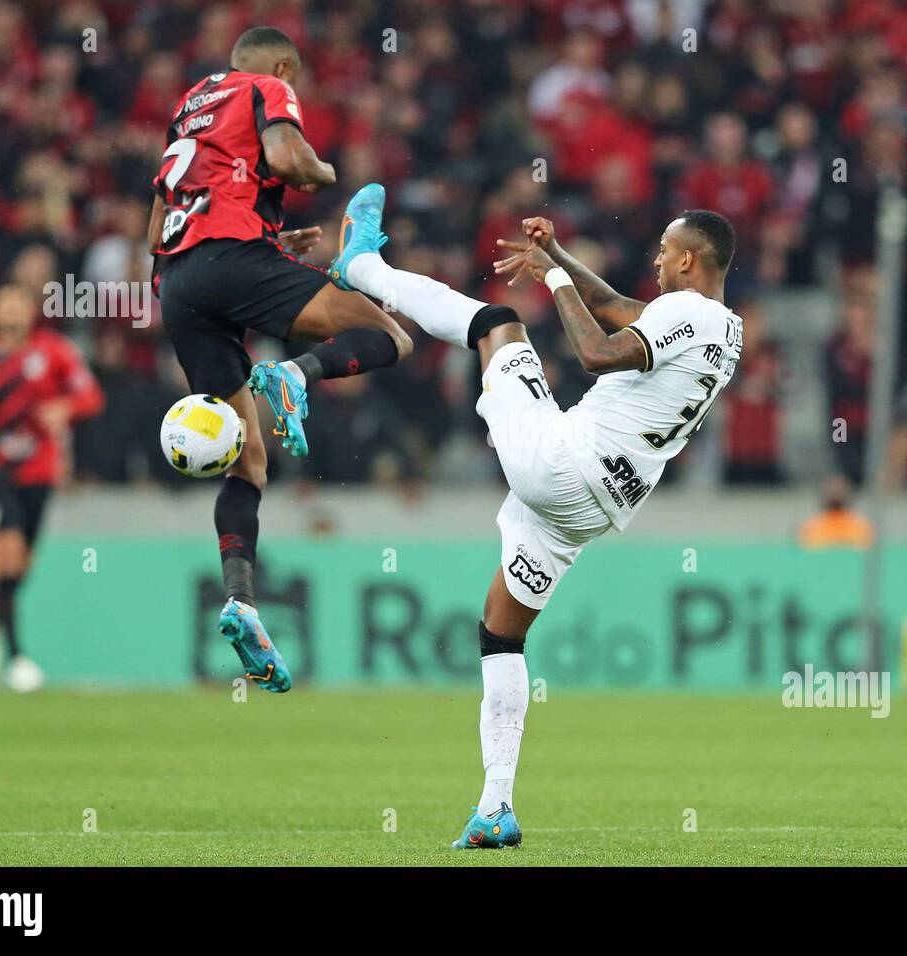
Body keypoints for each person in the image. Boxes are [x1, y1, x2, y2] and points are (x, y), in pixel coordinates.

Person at [315, 183, 742, 848]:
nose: (656, 261)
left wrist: (552, 284)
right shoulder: (724, 327)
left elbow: (598, 351)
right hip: (598, 504)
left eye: (665, 252)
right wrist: (562, 259)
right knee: (500, 633)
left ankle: (362, 267)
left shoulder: (687, 311)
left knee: (495, 325)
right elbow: (620, 309)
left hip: (567, 462)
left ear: (689, 263)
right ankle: (494, 808)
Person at [148, 26, 413, 692]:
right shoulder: (269, 87)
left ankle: (239, 599)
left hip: (180, 285)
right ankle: (295, 374)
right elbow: (289, 158)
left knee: (249, 462)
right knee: (392, 335)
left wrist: (268, 236)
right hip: (233, 261)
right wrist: (328, 172)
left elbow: (158, 227)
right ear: (284, 66)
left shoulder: (190, 105)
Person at [0, 285, 105, 691]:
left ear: (31, 310)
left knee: (22, 566)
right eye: (3, 301)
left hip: (39, 470)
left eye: (18, 302)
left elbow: (91, 396)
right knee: (8, 555)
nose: (11, 309)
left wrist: (65, 407)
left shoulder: (54, 351)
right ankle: (18, 658)